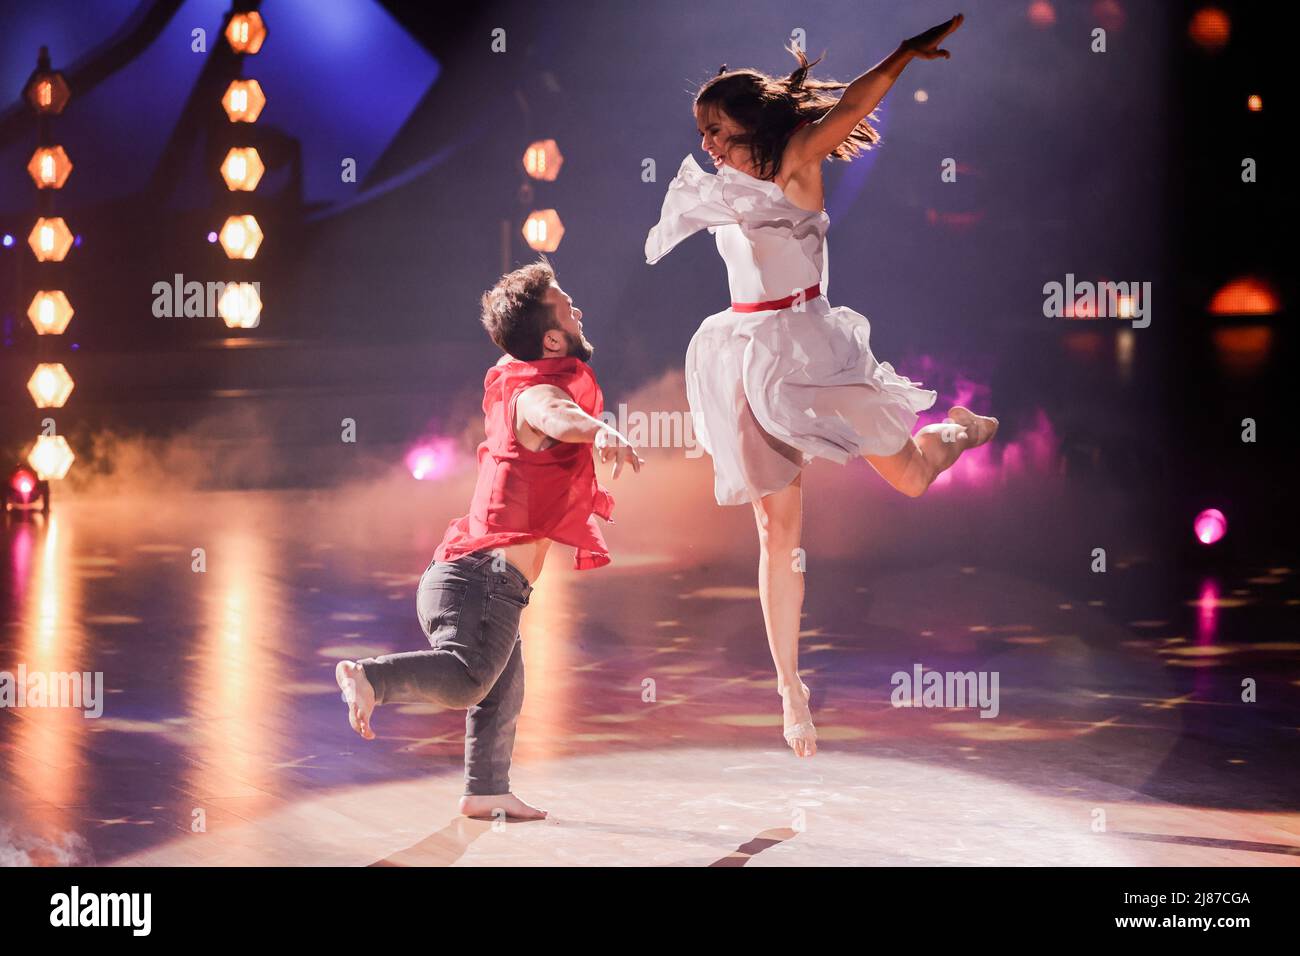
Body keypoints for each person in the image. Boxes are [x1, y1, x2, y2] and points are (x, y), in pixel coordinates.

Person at [645, 15, 996, 757]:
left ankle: (957, 430)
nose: (706, 143)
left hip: (811, 349)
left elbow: (853, 108)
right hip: (747, 357)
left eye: (716, 127)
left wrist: (902, 54)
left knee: (909, 479)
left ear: (751, 121)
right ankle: (789, 689)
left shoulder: (798, 160)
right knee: (777, 533)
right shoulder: (723, 183)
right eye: (701, 129)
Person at [336, 258, 643, 819]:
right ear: (552, 339)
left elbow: (523, 359)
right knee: (468, 680)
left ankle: (486, 790)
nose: (579, 311)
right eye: (566, 307)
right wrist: (600, 430)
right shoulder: (536, 392)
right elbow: (555, 414)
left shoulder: (520, 371)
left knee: (502, 685)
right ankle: (372, 678)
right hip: (482, 581)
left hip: (472, 578)